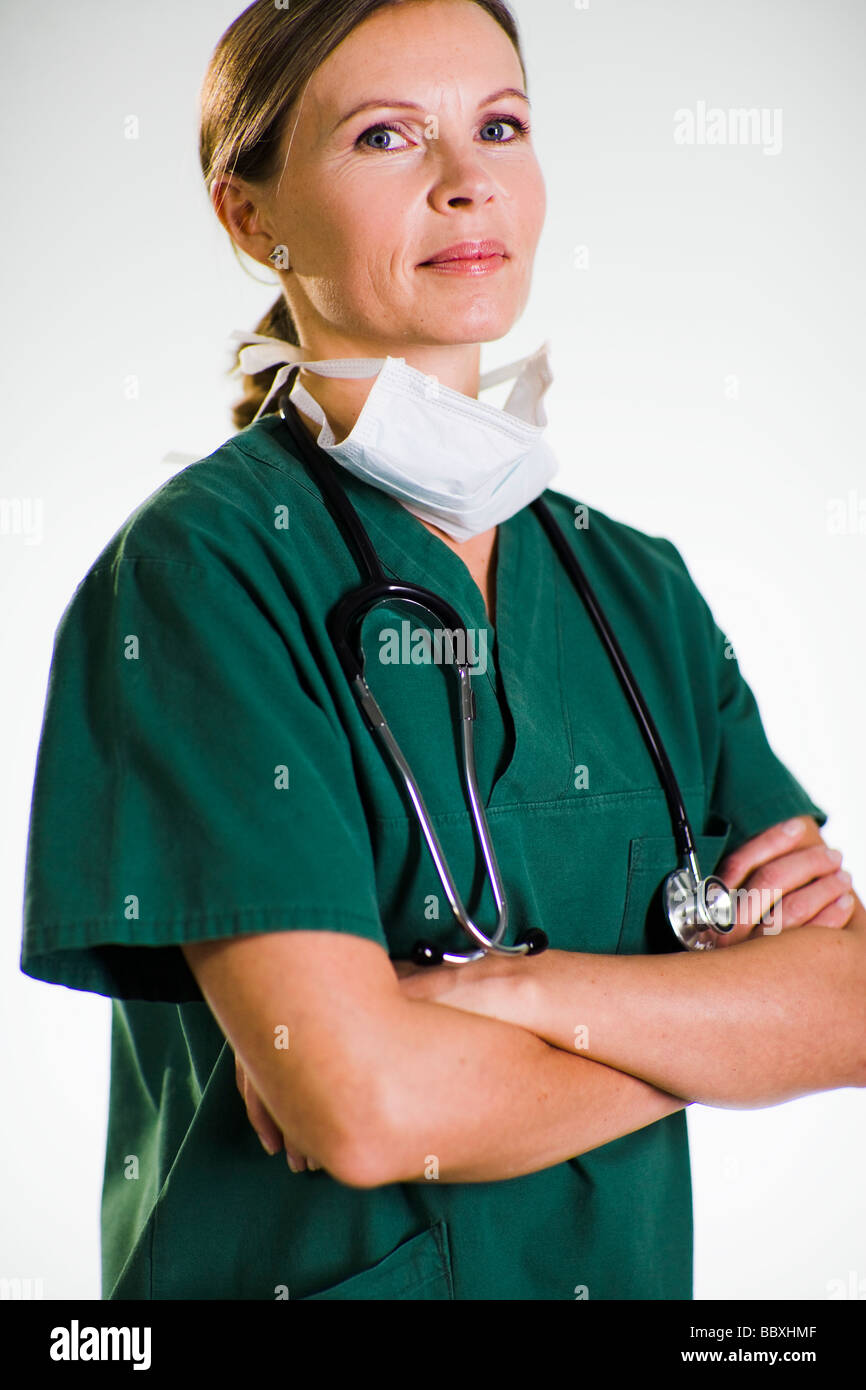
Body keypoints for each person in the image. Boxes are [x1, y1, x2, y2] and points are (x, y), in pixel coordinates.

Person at [20, 0, 864, 1302]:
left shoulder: (634, 587)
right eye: (385, 136)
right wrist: (715, 1030)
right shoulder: (205, 574)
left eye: (500, 126)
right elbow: (361, 1108)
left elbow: (845, 1006)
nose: (468, 181)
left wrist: (506, 993)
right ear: (251, 217)